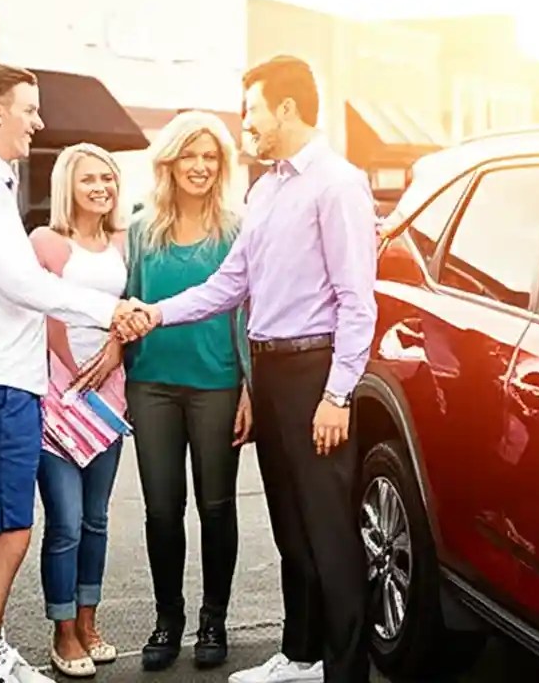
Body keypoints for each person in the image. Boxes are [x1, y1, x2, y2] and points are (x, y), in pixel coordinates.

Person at [116, 55, 377, 683]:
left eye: (251, 109)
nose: (246, 124)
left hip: (316, 372)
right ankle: (301, 653)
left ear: (285, 108)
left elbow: (357, 301)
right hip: (271, 371)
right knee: (290, 525)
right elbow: (228, 285)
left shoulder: (336, 184)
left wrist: (337, 395)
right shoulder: (266, 189)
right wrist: (155, 313)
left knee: (329, 532)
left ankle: (346, 672)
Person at [0, 60, 141, 683]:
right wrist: (112, 309)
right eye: (29, 108)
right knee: (11, 535)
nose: (37, 121)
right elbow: (24, 282)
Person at [121, 110, 252, 672]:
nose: (199, 167)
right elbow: (126, 303)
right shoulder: (139, 228)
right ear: (168, 162)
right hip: (151, 385)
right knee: (161, 509)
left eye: (210, 157)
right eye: (189, 156)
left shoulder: (237, 227)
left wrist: (250, 387)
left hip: (218, 383)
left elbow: (250, 310)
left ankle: (213, 618)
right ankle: (167, 618)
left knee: (217, 507)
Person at [27, 143, 128, 678]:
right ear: (69, 183)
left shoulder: (120, 241)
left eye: (108, 179)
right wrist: (71, 373)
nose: (101, 188)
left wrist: (113, 353)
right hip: (58, 395)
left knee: (96, 520)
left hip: (109, 394)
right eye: (90, 178)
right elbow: (41, 309)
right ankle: (62, 631)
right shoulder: (45, 241)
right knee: (63, 522)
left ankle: (89, 622)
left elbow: (128, 312)